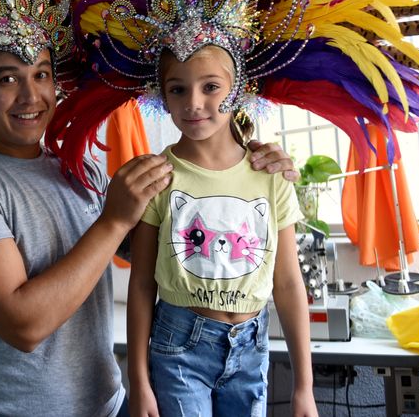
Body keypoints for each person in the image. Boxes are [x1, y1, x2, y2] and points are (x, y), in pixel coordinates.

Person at [0, 46, 297, 417]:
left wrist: (238, 178)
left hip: (107, 405)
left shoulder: (77, 170)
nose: (30, 95)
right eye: (7, 79)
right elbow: (24, 325)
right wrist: (114, 220)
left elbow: (165, 254)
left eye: (41, 74)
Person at [126, 45, 315, 417]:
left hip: (252, 348)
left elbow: (290, 282)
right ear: (162, 96)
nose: (193, 103)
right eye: (178, 89)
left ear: (239, 87)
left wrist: (304, 388)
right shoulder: (158, 177)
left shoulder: (271, 176)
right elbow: (142, 284)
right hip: (178, 349)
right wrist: (138, 381)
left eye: (210, 86)